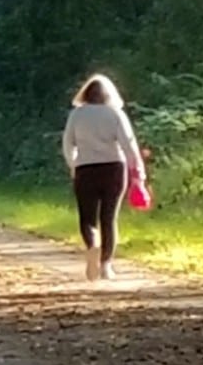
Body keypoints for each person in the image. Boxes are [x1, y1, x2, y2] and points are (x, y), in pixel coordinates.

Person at [61, 74, 145, 281]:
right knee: (108, 218)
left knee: (87, 218)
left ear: (86, 94)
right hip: (114, 169)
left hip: (85, 169)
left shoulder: (77, 115)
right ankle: (106, 266)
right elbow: (129, 145)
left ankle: (92, 245)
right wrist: (138, 173)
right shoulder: (115, 114)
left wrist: (73, 164)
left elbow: (67, 143)